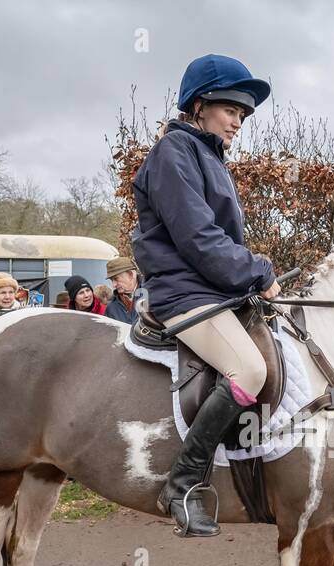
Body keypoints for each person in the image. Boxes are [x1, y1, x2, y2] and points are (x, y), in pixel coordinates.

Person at [132, 53, 280, 536]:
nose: (238, 120)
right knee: (250, 368)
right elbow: (199, 240)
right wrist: (258, 272)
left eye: (243, 114)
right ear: (199, 106)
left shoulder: (206, 155)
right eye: (230, 109)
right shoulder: (174, 152)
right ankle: (183, 482)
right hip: (184, 293)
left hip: (210, 290)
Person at [104, 256, 141, 324]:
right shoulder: (111, 307)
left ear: (131, 274)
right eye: (111, 280)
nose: (113, 285)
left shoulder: (152, 293)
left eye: (116, 279)